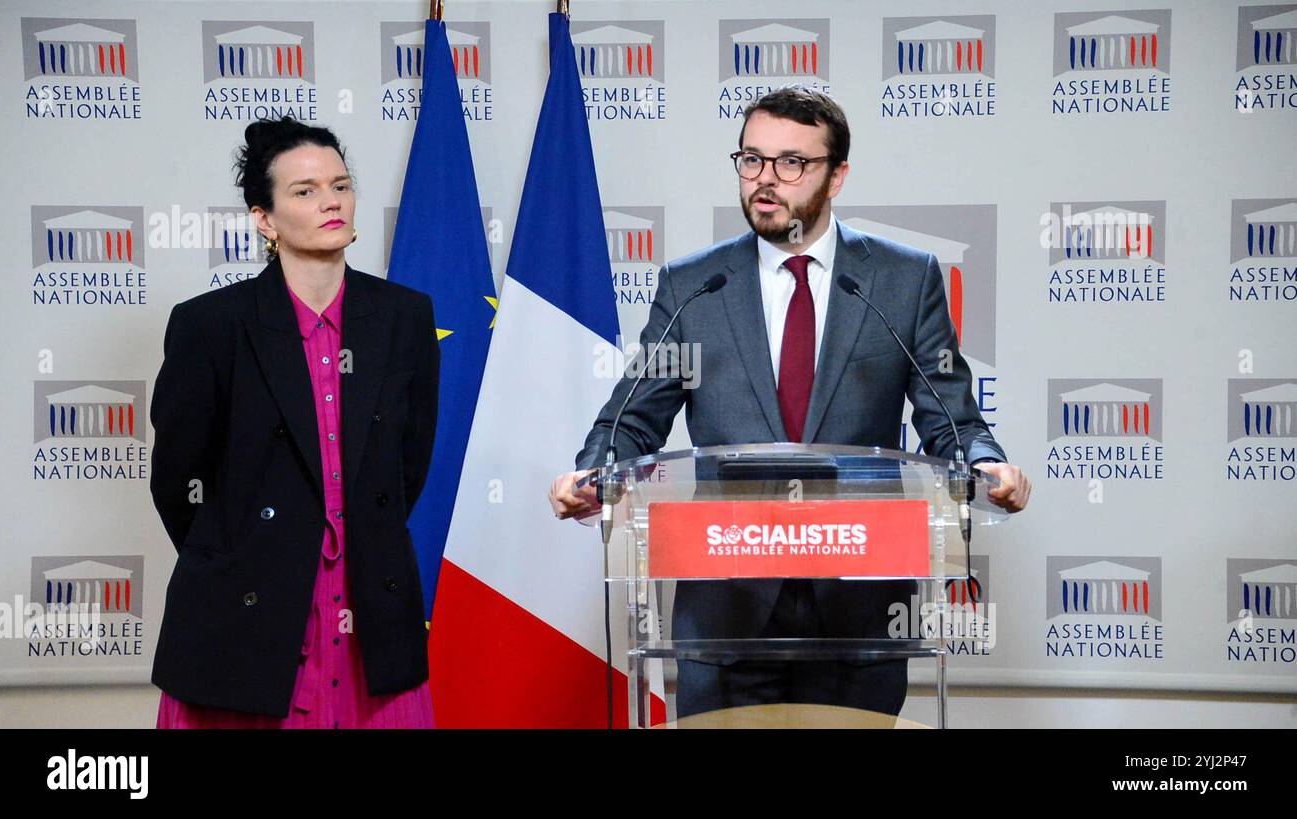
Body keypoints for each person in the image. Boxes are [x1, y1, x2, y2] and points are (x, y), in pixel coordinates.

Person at [548, 86, 1030, 719]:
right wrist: (597, 471)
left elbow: (948, 412)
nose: (765, 181)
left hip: (862, 609)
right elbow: (635, 413)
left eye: (791, 163)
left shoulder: (902, 279)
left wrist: (984, 462)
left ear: (837, 177)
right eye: (752, 160)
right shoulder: (695, 285)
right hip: (726, 605)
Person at [149, 117, 440, 728]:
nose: (330, 201)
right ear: (264, 218)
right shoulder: (211, 326)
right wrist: (248, 560)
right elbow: (178, 482)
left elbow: (408, 468)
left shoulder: (404, 317)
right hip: (245, 617)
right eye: (304, 191)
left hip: (371, 611)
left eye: (340, 184)